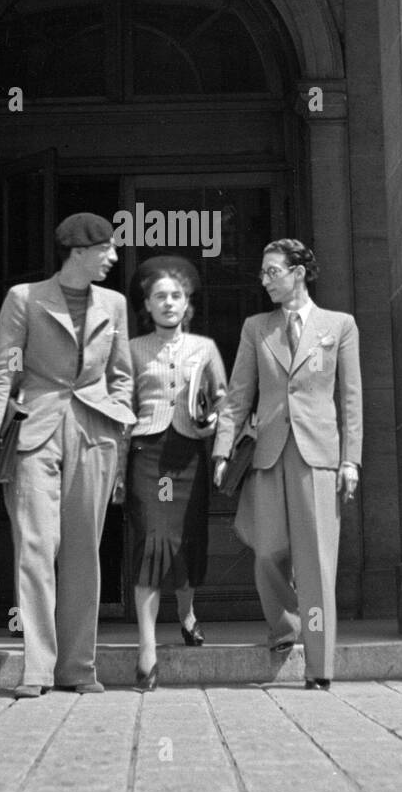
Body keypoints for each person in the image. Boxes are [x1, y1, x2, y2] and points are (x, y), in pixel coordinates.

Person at [0, 213, 135, 699]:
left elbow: (123, 374)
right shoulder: (24, 298)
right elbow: (2, 372)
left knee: (84, 552)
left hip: (95, 433)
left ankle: (77, 669)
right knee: (35, 548)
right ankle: (37, 669)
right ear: (79, 252)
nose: (113, 257)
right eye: (106, 249)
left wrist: (121, 428)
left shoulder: (115, 303)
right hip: (34, 431)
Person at [212, 239, 362, 690]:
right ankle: (285, 626)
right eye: (262, 273)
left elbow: (350, 398)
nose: (264, 280)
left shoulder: (340, 326)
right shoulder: (257, 327)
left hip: (318, 456)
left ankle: (319, 667)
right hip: (268, 453)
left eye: (272, 272)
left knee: (317, 562)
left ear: (298, 273)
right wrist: (222, 449)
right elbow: (238, 395)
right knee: (266, 550)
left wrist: (350, 460)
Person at [115, 257, 227, 691]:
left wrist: (212, 425)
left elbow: (221, 402)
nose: (167, 302)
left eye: (175, 296)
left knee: (184, 539)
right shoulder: (132, 348)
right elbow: (121, 405)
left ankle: (186, 613)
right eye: (159, 296)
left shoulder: (205, 348)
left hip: (188, 455)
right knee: (152, 540)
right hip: (147, 453)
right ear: (147, 303)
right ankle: (147, 648)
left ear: (187, 304)